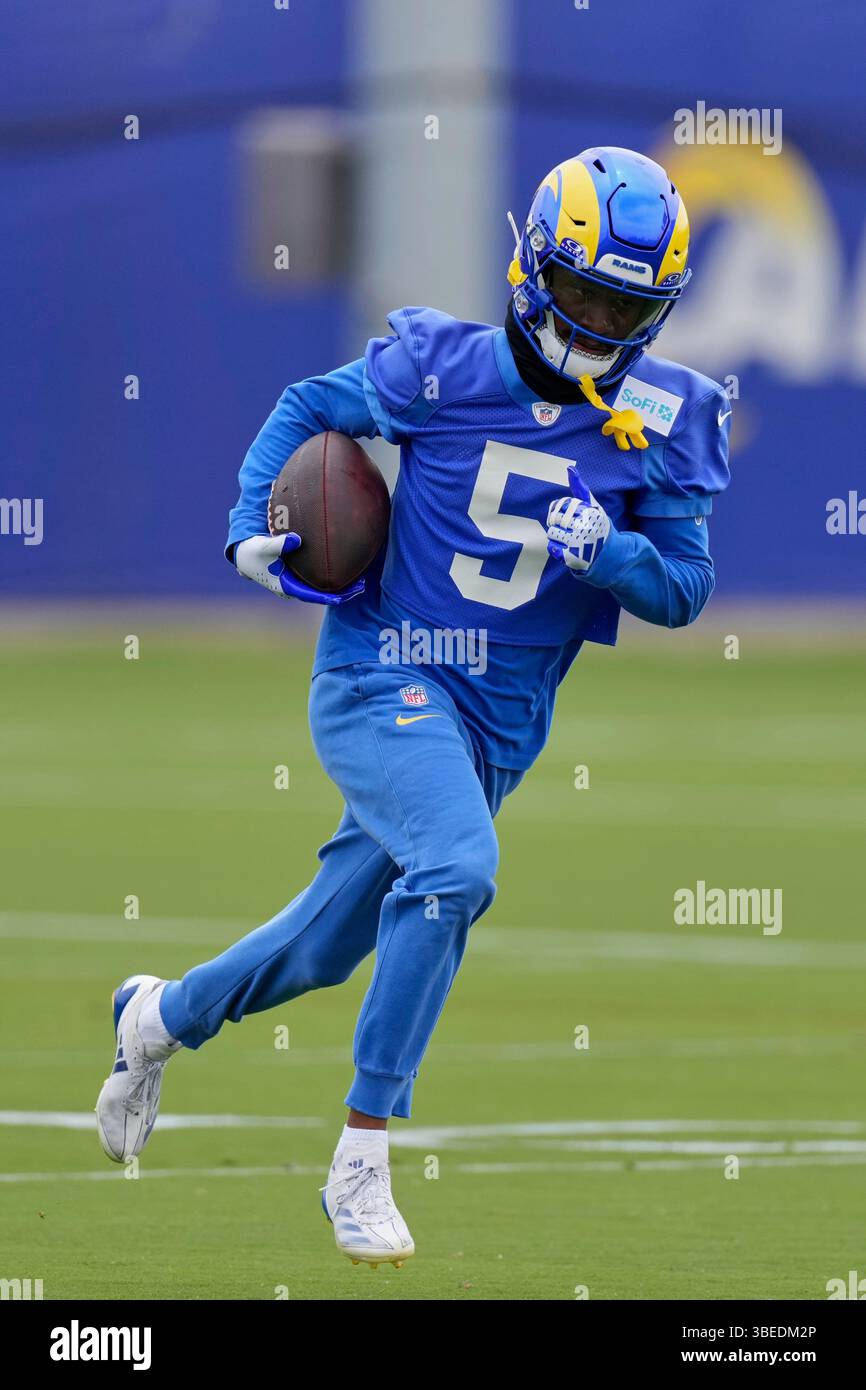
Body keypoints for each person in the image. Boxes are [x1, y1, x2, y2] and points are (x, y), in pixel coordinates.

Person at [96, 146, 730, 1269]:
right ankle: (361, 1156)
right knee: (457, 870)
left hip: (497, 727)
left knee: (329, 943)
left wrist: (613, 551)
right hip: (380, 673)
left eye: (619, 307)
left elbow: (682, 591)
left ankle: (156, 1018)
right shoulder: (439, 365)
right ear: (530, 267)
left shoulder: (661, 415)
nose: (590, 322)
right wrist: (251, 521)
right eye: (578, 291)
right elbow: (308, 406)